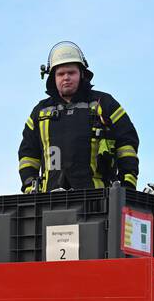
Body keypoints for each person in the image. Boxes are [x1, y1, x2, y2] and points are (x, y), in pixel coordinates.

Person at [18, 41, 139, 193]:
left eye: (71, 72)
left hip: (100, 200)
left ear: (82, 74)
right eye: (61, 74)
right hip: (49, 202)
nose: (66, 77)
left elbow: (127, 144)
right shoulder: (40, 112)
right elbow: (28, 154)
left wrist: (127, 184)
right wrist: (30, 186)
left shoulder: (105, 104)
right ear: (53, 78)